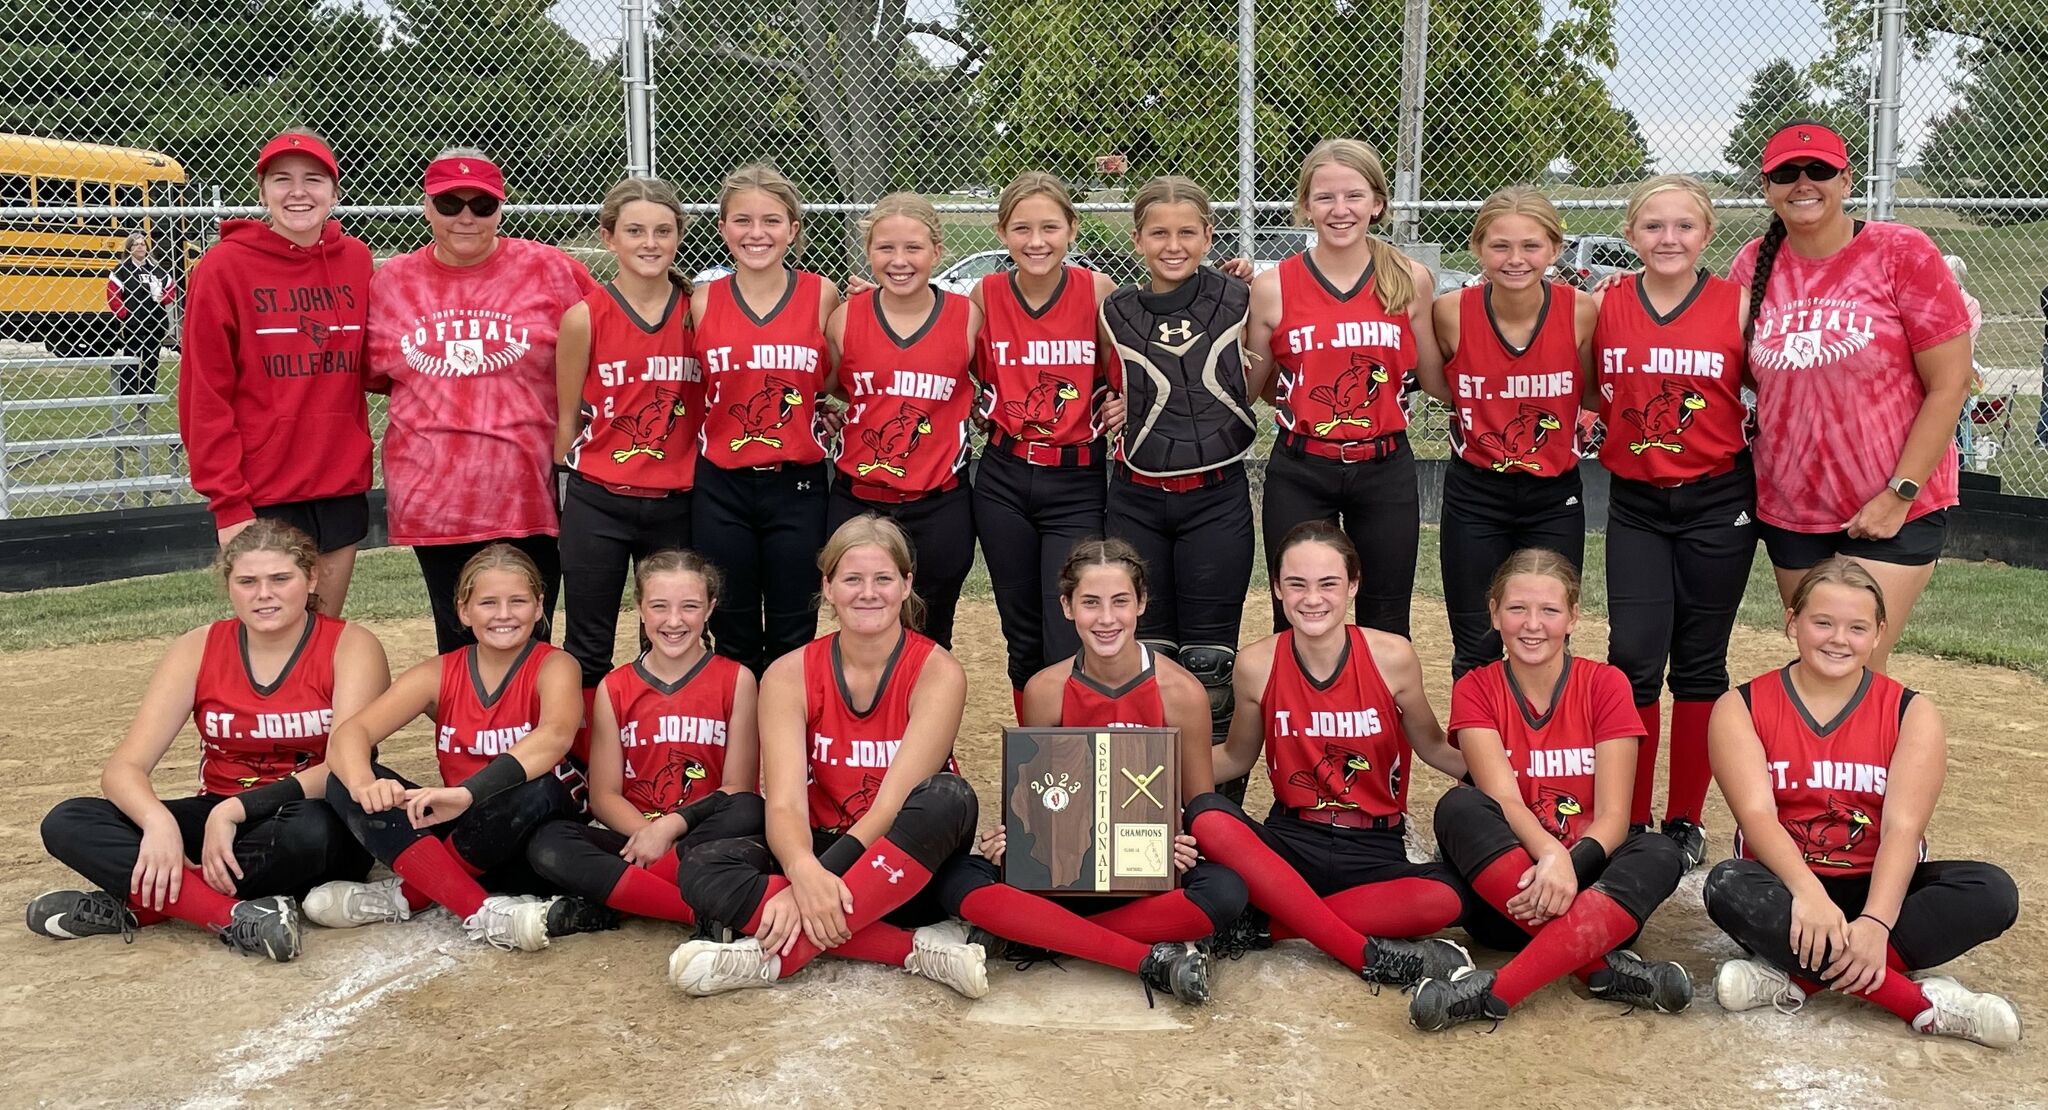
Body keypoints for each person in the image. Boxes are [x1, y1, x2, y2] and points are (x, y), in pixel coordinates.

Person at [33, 520, 386, 961]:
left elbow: (346, 765)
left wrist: (236, 811)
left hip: (305, 814)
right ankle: (235, 915)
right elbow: (124, 769)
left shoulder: (350, 645)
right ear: (229, 584)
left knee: (312, 831)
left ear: (311, 578)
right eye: (247, 581)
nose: (264, 594)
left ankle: (145, 909)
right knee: (69, 821)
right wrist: (159, 823)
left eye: (280, 579)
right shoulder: (200, 646)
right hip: (217, 815)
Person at [1704, 557, 2021, 1048]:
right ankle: (1920, 1003)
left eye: (1856, 627)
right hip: (1791, 890)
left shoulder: (1910, 711)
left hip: (1880, 886)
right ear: (1792, 622)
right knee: (1726, 884)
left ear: (1877, 634)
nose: (1838, 639)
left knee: (1991, 891)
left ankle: (1793, 981)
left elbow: (1902, 828)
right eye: (1822, 622)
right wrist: (1809, 894)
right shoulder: (1741, 706)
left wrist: (1876, 921)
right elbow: (1757, 816)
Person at [669, 515, 988, 998]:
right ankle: (910, 950)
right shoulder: (788, 673)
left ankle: (772, 957)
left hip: (901, 859)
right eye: (852, 579)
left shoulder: (937, 671)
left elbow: (889, 807)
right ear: (828, 586)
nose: (868, 593)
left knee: (949, 797)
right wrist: (802, 870)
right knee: (700, 863)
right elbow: (783, 804)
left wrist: (803, 891)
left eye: (883, 579)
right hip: (825, 854)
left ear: (906, 586)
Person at [931, 538, 1238, 1005]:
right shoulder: (1046, 689)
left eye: (1120, 602)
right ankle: (1142, 951)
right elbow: (1038, 796)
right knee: (958, 878)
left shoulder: (1180, 691)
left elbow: (1200, 808)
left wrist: (1184, 843)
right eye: (1090, 603)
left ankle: (1037, 932)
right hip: (1068, 870)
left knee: (1226, 890)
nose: (1107, 618)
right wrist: (1011, 839)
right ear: (1067, 607)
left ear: (1142, 603)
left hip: (1146, 871)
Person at [1410, 549, 1692, 1031]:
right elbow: (1504, 799)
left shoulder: (1606, 684)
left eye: (1550, 610)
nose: (1532, 624)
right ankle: (1599, 968)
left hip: (1589, 887)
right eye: (1517, 608)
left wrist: (1569, 864)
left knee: (1661, 850)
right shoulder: (1476, 687)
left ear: (1574, 616)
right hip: (1510, 892)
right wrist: (1548, 857)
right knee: (1460, 805)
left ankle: (1498, 991)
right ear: (1494, 613)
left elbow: (1613, 817)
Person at [1731, 120, 1975, 671]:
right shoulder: (1752, 263)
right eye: (1785, 173)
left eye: (1819, 170)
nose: (1803, 182)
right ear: (1767, 187)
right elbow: (1757, 372)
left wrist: (1900, 494)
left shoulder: (1900, 250)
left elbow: (1951, 382)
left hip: (1892, 503)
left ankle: (1883, 758)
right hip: (1793, 503)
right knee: (1819, 661)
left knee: (1853, 665)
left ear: (1846, 180)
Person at [1201, 522, 1474, 986]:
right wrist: (1146, 767)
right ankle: (1363, 950)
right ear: (1276, 589)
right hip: (1290, 841)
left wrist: (1515, 775)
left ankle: (1271, 926)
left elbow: (1433, 747)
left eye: (1328, 583)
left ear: (1352, 585)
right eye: (1297, 584)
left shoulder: (1392, 656)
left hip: (1374, 845)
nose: (1312, 599)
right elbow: (1235, 758)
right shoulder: (1257, 662)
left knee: (1447, 898)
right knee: (1209, 816)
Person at [309, 545, 612, 950]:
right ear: (464, 611)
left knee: (534, 786)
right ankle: (483, 911)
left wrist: (468, 793)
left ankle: (409, 895)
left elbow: (554, 736)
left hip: (532, 831)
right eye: (488, 602)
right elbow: (351, 734)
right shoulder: (441, 672)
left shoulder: (555, 665)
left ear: (540, 607)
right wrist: (365, 783)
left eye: (518, 601)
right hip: (464, 831)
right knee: (341, 781)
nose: (504, 614)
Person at [366, 146, 598, 653]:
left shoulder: (551, 271)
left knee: (531, 641)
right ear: (426, 206)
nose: (465, 218)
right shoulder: (392, 282)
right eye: (450, 204)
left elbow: (609, 345)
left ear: (501, 206)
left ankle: (538, 733)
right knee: (459, 644)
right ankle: (467, 735)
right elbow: (376, 373)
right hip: (436, 498)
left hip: (530, 489)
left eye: (481, 205)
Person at [1592, 174, 1757, 870]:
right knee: (1633, 657)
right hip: (1636, 500)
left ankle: (1685, 818)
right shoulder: (1601, 306)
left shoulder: (1739, 306)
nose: (1668, 238)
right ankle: (1627, 814)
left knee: (1699, 662)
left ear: (1706, 234)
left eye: (1683, 226)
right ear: (1631, 234)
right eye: (1653, 226)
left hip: (1719, 499)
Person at [1242, 139, 1440, 637]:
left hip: (1384, 465)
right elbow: (1253, 387)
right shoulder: (1274, 286)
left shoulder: (1409, 279)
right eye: (1325, 197)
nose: (1340, 209)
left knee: (1387, 615)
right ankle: (1298, 716)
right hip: (1302, 466)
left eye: (1354, 196)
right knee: (1297, 615)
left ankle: (1378, 715)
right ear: (1305, 205)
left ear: (1378, 203)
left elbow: (1437, 379)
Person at [1101, 176, 1259, 798]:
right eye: (1159, 233)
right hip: (1135, 497)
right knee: (1148, 656)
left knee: (1211, 662)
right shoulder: (1114, 310)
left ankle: (1216, 811)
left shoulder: (1240, 296)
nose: (1174, 245)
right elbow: (1078, 379)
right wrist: (1108, 403)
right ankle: (1148, 810)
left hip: (1216, 496)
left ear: (1208, 236)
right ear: (1137, 239)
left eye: (1187, 232)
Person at [178, 130, 374, 616]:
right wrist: (228, 502)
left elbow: (376, 363)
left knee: (323, 626)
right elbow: (205, 395)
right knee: (272, 633)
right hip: (262, 489)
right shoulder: (223, 268)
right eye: (281, 179)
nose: (298, 192)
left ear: (335, 190)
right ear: (263, 191)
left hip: (339, 481)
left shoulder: (356, 260)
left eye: (313, 178)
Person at [524, 550, 762, 928]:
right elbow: (603, 796)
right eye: (659, 606)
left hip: (705, 840)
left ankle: (617, 903)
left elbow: (736, 790)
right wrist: (647, 836)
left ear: (710, 608)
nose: (673, 621)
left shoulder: (737, 680)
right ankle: (691, 909)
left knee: (751, 809)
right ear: (639, 608)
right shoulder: (615, 687)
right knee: (549, 842)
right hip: (634, 839)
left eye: (689, 607)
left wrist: (668, 830)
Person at [1428, 186, 1596, 680]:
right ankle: (1479, 757)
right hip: (1476, 490)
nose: (1515, 259)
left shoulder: (1581, 311)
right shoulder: (1451, 311)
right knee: (1475, 640)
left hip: (1554, 492)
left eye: (1531, 246)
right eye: (1500, 246)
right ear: (1478, 248)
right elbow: (1443, 388)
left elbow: (1591, 394)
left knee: (1546, 633)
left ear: (1555, 249)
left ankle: (1544, 751)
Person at [969, 172, 1119, 717]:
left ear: (1072, 229)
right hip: (1004, 477)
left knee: (1068, 628)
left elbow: (1134, 364)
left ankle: (1073, 746)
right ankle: (1038, 758)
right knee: (1021, 629)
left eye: (1050, 227)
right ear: (1002, 232)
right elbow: (938, 348)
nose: (1037, 241)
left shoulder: (1096, 290)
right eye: (1022, 228)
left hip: (1076, 480)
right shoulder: (983, 296)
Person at [553, 178, 703, 698]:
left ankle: (665, 751)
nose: (650, 243)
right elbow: (566, 420)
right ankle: (587, 765)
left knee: (673, 641)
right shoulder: (584, 317)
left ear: (679, 236)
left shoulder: (699, 311)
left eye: (663, 231)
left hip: (679, 502)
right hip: (600, 500)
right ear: (609, 237)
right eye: (635, 230)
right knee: (588, 645)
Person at [689, 163, 839, 676]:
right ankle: (740, 750)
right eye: (742, 220)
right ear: (722, 227)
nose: (757, 233)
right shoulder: (703, 300)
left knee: (793, 628)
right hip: (720, 486)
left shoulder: (822, 296)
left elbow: (839, 379)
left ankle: (787, 751)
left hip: (796, 485)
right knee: (730, 628)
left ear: (794, 229)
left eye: (772, 220)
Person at [826, 193, 980, 648]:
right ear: (868, 252)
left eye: (913, 248)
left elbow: (992, 382)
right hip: (859, 499)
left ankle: (926, 718)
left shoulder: (967, 317)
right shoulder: (845, 316)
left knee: (933, 633)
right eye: (885, 248)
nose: (899, 261)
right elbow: (834, 385)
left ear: (937, 250)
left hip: (940, 502)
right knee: (862, 628)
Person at [106, 231, 178, 408]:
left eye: (143, 244)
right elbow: (113, 295)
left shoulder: (156, 269)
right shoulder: (122, 270)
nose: (140, 247)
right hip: (133, 324)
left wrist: (164, 297)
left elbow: (171, 288)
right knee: (132, 357)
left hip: (156, 322)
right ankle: (129, 394)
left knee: (152, 358)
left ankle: (147, 394)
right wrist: (125, 315)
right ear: (129, 249)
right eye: (136, 244)